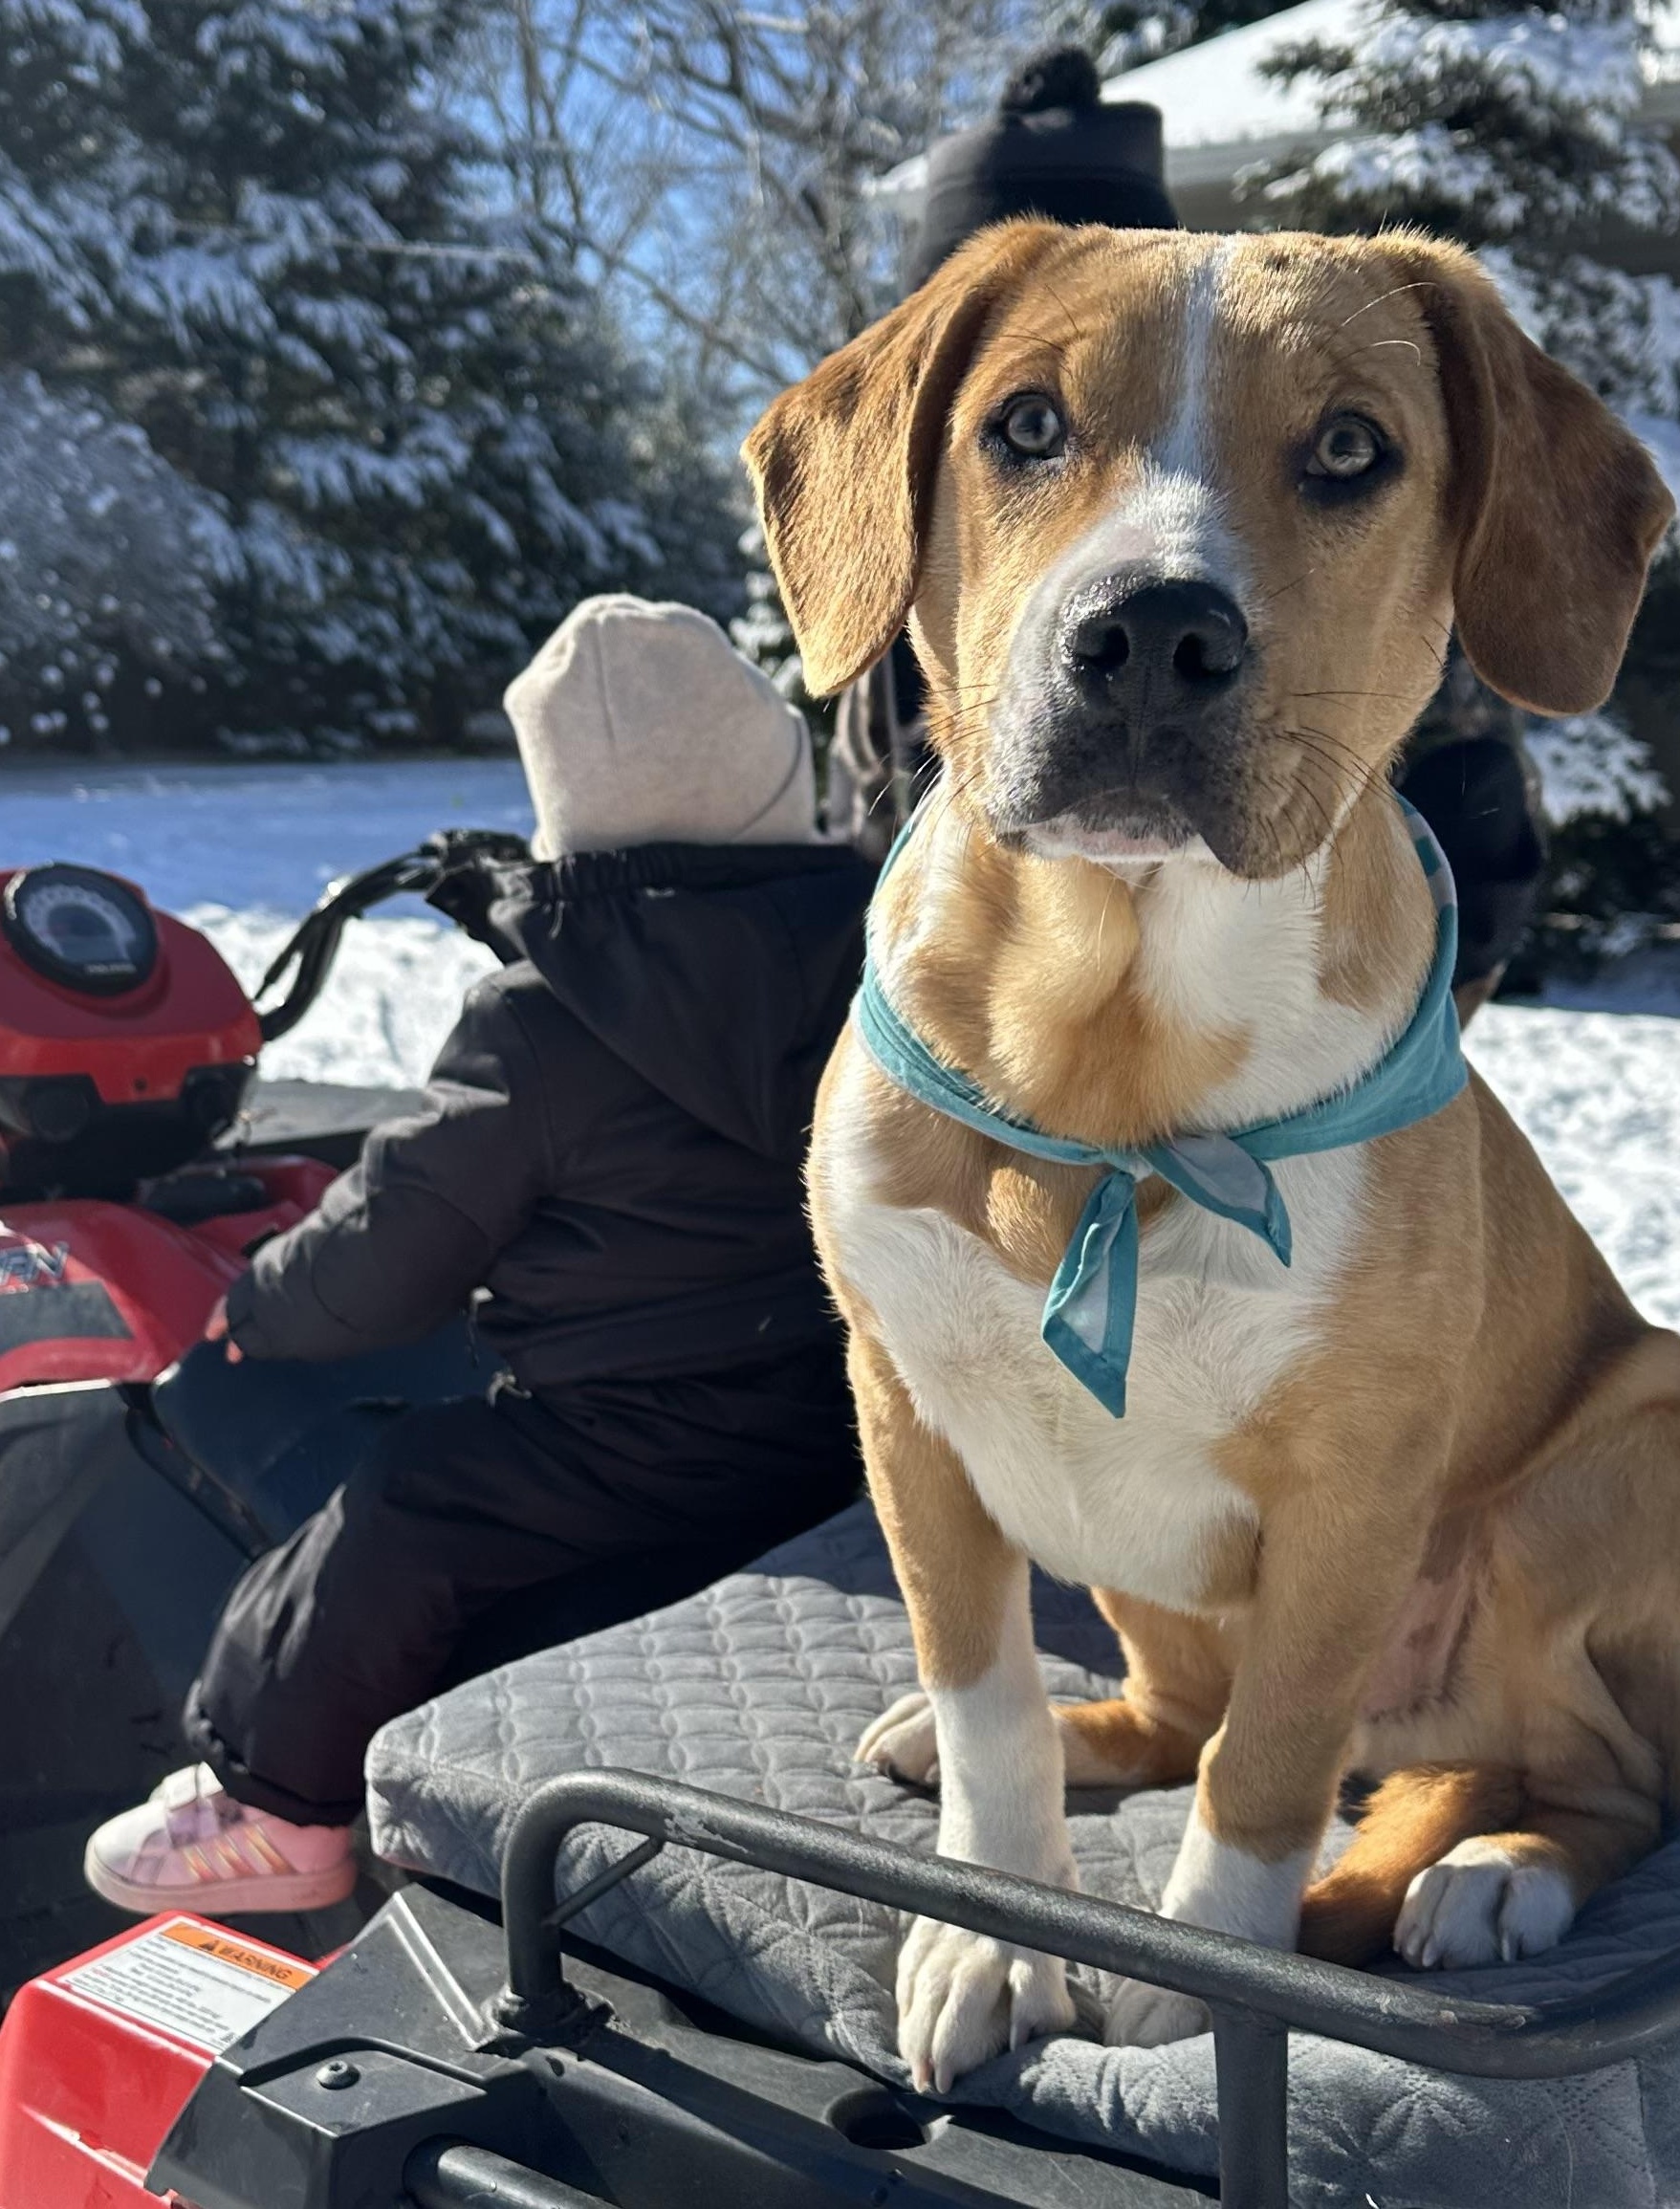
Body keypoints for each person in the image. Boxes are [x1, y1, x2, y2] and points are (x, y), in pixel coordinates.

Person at [85, 597, 873, 1916]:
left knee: (412, 1498)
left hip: (629, 1442)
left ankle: (276, 1808)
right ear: (779, 773)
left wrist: (257, 1304)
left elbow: (391, 1254)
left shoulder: (541, 1020)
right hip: (830, 1417)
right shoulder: (884, 951)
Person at [826, 43, 1550, 1008]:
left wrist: (1438, 999)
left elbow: (1479, 791)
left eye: (1346, 452)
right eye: (1031, 429)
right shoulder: (898, 537)